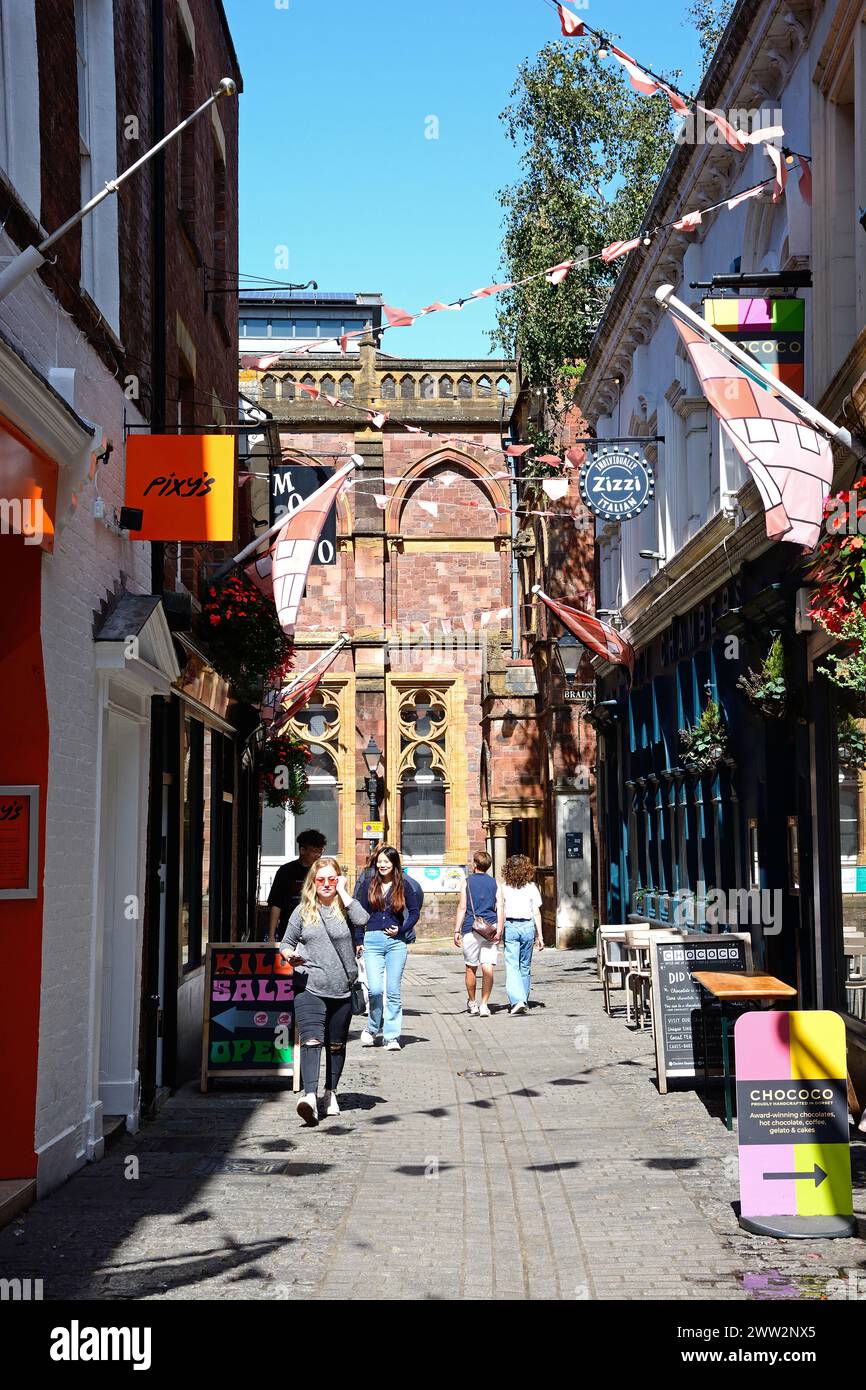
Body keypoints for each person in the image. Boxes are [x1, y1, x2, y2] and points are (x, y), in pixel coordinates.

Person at [279, 856, 368, 1125]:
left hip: (342, 987)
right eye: (321, 880)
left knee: (337, 1045)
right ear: (313, 882)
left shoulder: (346, 909)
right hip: (309, 985)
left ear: (338, 879)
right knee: (311, 1040)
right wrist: (289, 955)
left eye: (332, 879)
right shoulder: (302, 911)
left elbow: (363, 919)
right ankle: (309, 1097)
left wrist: (343, 891)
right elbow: (286, 942)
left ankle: (330, 1093)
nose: (326, 884)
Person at [353, 845, 423, 1051]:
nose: (382, 865)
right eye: (380, 862)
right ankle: (373, 1027)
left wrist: (402, 928)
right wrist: (358, 940)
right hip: (372, 941)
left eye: (386, 862)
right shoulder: (368, 884)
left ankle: (392, 1036)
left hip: (396, 943)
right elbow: (359, 915)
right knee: (375, 990)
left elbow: (414, 912)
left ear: (394, 864)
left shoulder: (403, 886)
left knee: (392, 991)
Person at [453, 850, 501, 1017]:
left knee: (471, 967)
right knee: (487, 967)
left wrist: (456, 930)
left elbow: (462, 907)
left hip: (471, 928)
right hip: (490, 928)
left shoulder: (466, 882)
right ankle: (484, 1005)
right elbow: (500, 907)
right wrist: (499, 929)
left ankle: (472, 1002)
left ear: (475, 865)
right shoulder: (495, 883)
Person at [497, 854, 544, 1015]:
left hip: (511, 926)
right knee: (525, 965)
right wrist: (540, 936)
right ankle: (523, 999)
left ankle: (518, 1000)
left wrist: (499, 930)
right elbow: (536, 913)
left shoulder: (503, 887)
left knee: (512, 965)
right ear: (527, 870)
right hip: (527, 927)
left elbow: (500, 911)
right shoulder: (532, 887)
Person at [267, 829, 327, 943]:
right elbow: (276, 904)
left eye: (320, 851)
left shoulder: (323, 872)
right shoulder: (286, 871)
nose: (318, 855)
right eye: (314, 851)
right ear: (302, 850)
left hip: (317, 931)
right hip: (289, 930)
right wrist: (271, 936)